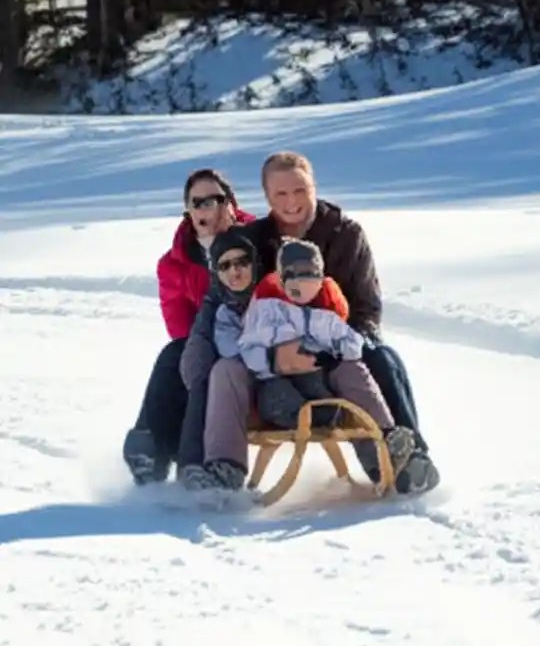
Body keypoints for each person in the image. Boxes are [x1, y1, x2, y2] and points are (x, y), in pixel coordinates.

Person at [196, 151, 439, 494]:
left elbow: (367, 308)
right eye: (280, 193)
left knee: (383, 358)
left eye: (300, 190)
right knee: (222, 367)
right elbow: (228, 294)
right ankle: (221, 471)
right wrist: (276, 355)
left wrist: (331, 349)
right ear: (267, 196)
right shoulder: (253, 240)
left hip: (334, 346)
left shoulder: (345, 234)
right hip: (269, 359)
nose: (291, 201)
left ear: (314, 187)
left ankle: (406, 461)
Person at [122, 168, 254, 484]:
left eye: (216, 200)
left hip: (255, 341)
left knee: (201, 360)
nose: (209, 209)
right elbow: (179, 326)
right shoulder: (174, 263)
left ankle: (194, 461)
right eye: (199, 203)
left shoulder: (257, 241)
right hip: (204, 343)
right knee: (177, 353)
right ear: (189, 211)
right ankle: (151, 450)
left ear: (232, 203)